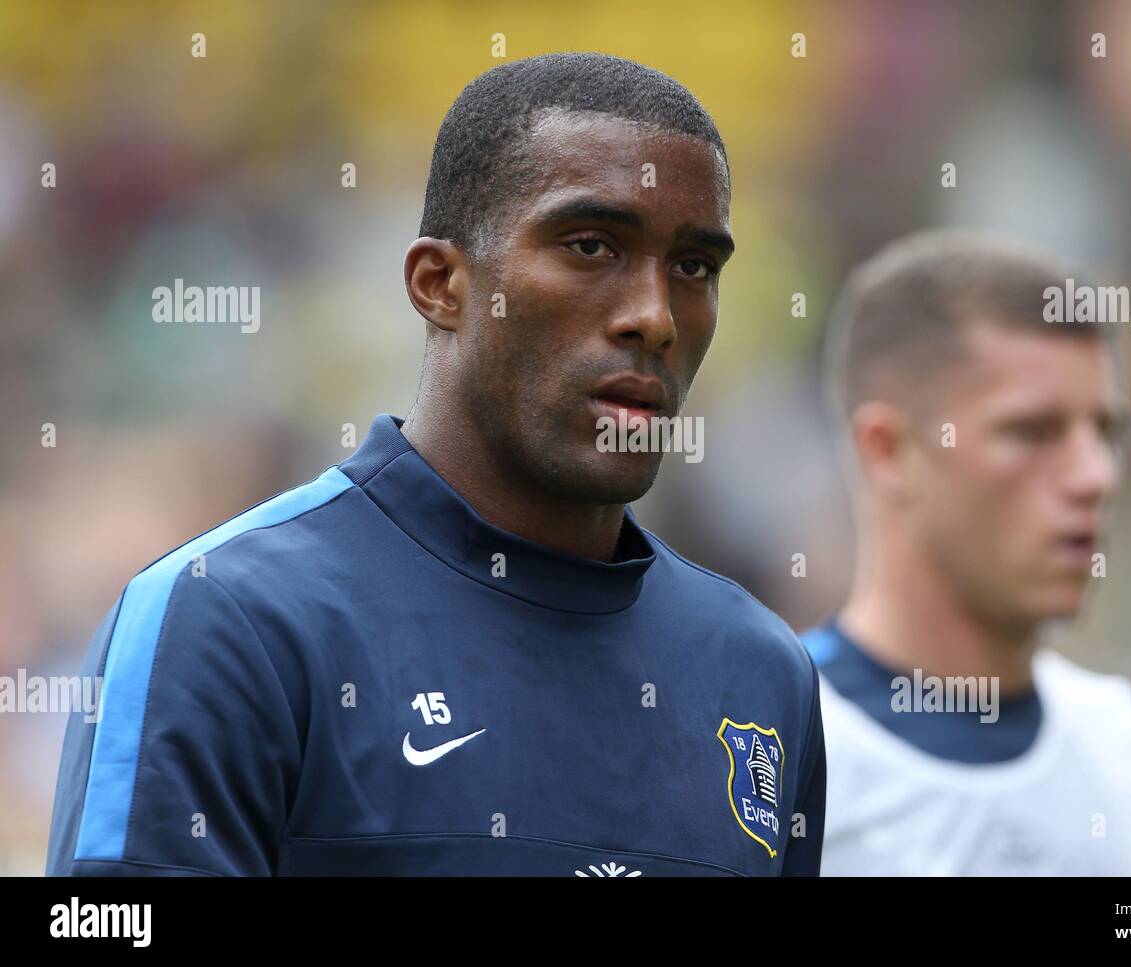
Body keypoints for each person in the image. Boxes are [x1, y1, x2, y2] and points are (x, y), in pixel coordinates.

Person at [47, 53, 825, 877]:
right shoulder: (230, 621)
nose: (655, 316)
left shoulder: (760, 671)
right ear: (440, 284)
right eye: (592, 245)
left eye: (694, 266)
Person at [804, 230, 1131, 875]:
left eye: (1105, 432)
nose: (1096, 476)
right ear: (888, 451)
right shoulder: (771, 755)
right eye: (1033, 431)